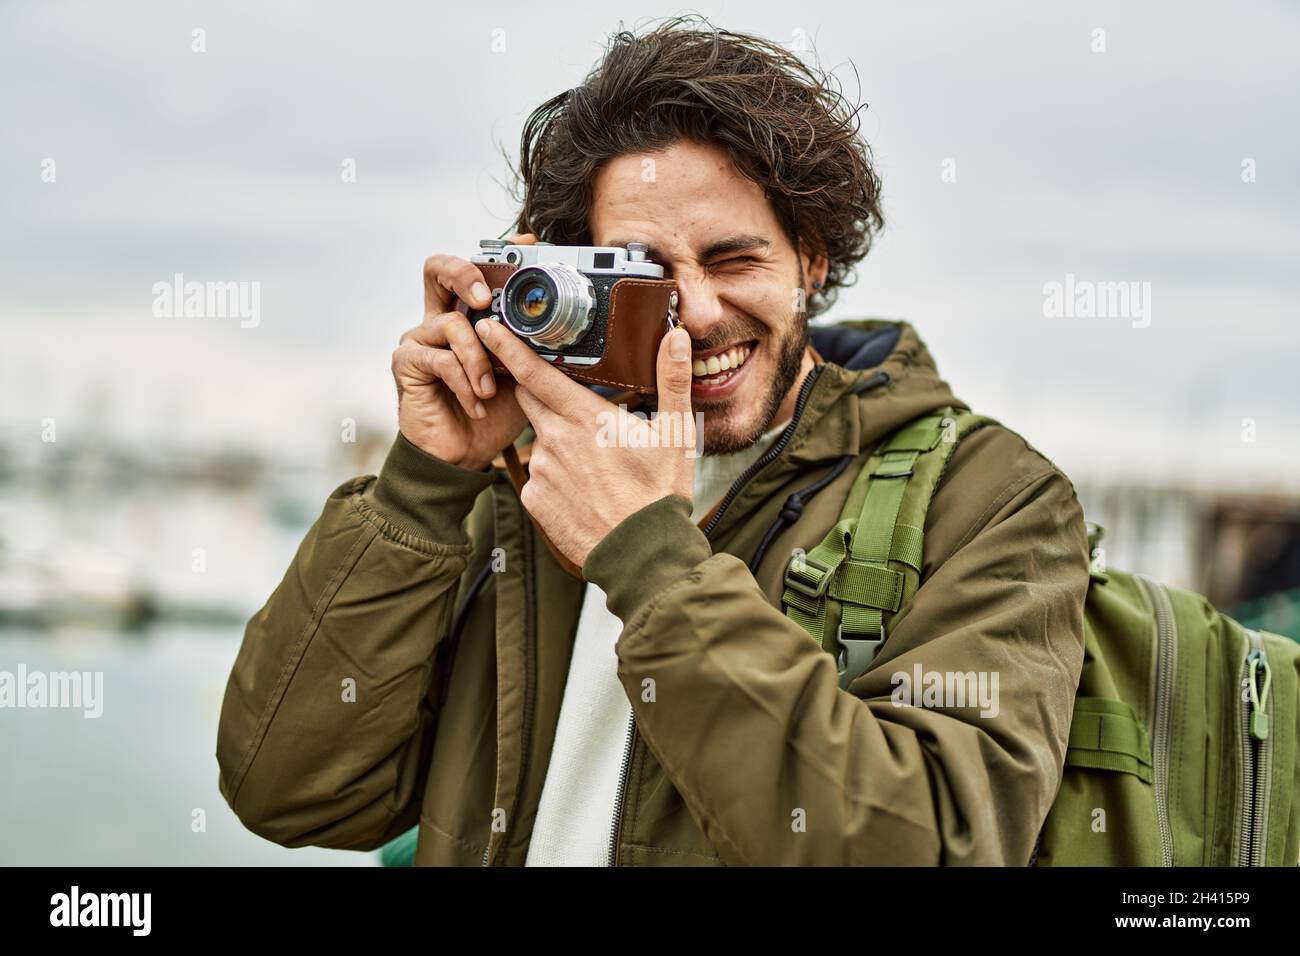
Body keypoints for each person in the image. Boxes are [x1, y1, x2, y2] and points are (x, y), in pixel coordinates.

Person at [216, 16, 1090, 866]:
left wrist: (650, 560)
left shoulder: (992, 501)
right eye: (645, 272)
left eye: (735, 260)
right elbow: (286, 789)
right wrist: (426, 486)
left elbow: (931, 849)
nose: (700, 312)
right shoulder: (522, 485)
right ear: (575, 274)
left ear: (812, 260)